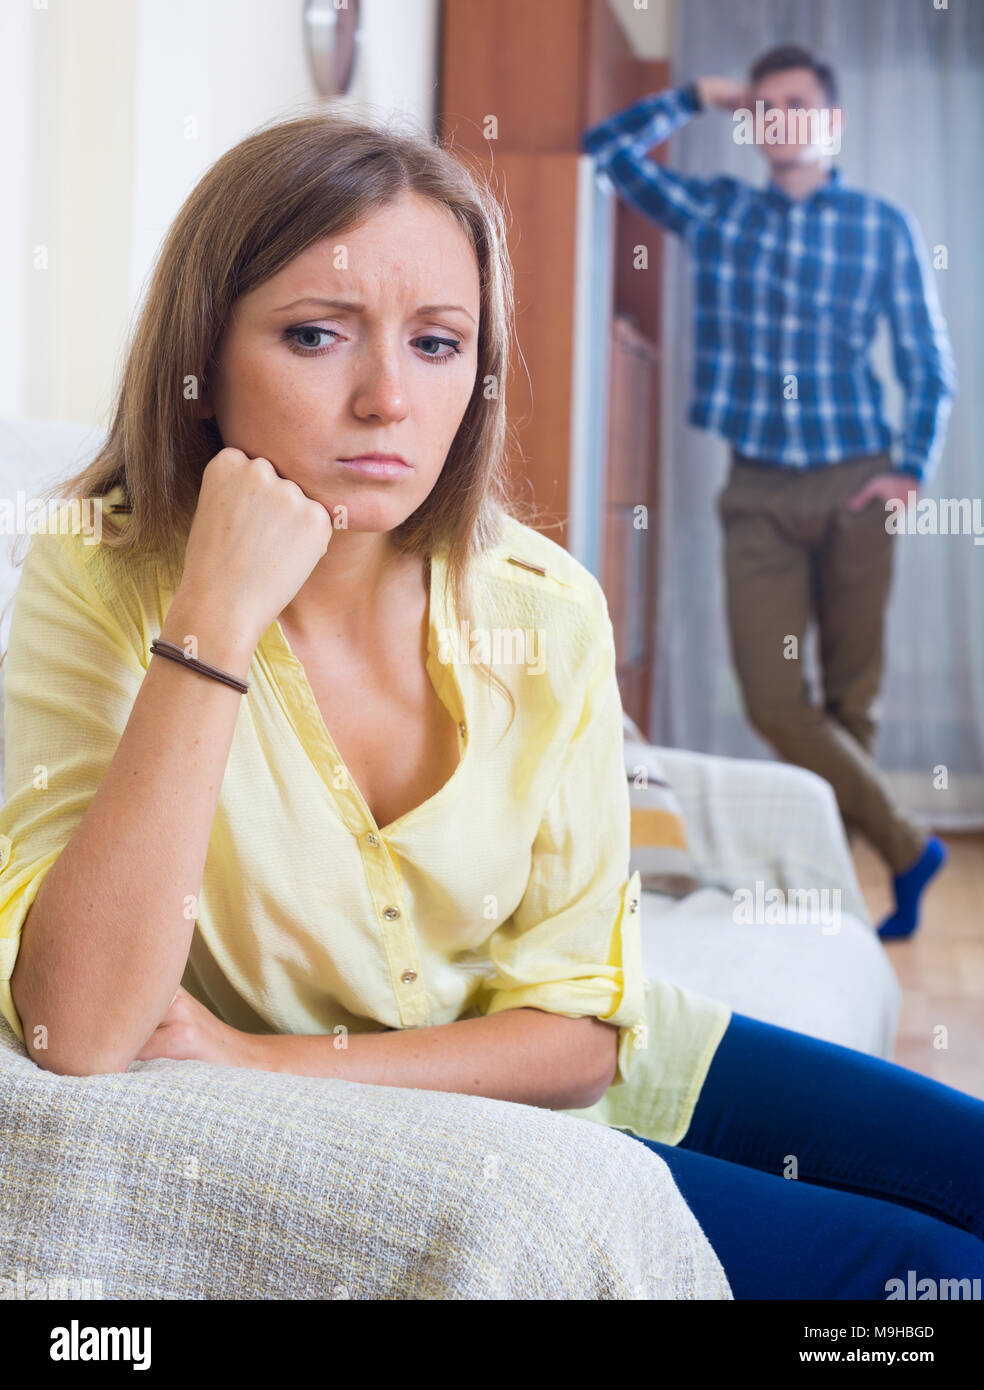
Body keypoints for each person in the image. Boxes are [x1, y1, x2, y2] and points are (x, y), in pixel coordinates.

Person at [0, 107, 980, 1301]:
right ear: (202, 360)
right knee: (933, 1278)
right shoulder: (94, 579)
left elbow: (580, 1034)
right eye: (316, 335)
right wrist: (211, 623)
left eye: (437, 343)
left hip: (617, 1059)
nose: (386, 401)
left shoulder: (544, 603)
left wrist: (268, 1059)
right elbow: (75, 1030)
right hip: (485, 1143)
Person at [581, 43, 957, 941]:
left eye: (799, 103)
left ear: (832, 121)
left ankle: (840, 897)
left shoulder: (879, 225)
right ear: (752, 123)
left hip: (857, 481)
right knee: (774, 698)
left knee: (850, 704)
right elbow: (606, 153)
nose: (782, 118)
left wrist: (912, 467)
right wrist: (693, 96)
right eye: (766, 106)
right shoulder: (718, 212)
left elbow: (924, 360)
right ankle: (911, 847)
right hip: (756, 490)